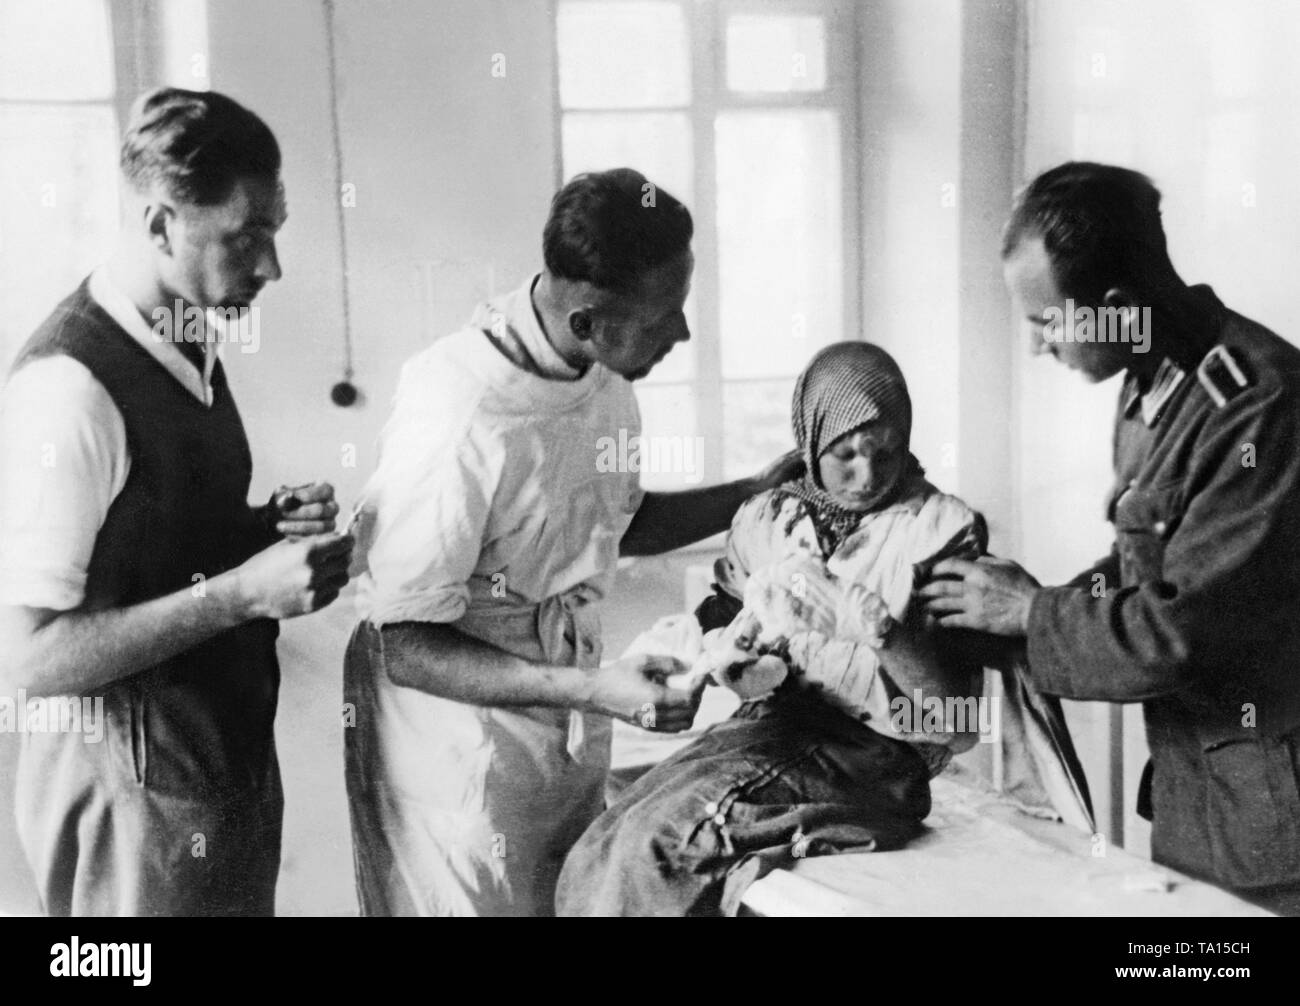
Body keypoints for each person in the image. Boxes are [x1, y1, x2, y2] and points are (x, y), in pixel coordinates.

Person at [343, 168, 802, 916]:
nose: (681, 334)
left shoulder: (601, 374)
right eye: (665, 316)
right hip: (454, 743)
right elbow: (408, 647)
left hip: (555, 705)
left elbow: (615, 521)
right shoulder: (458, 414)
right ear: (587, 318)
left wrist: (753, 490)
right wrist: (596, 688)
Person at [0, 88, 352, 917]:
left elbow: (151, 544)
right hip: (127, 791)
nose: (271, 266)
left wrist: (260, 531)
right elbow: (29, 659)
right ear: (160, 225)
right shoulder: (71, 391)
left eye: (276, 228)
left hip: (211, 763)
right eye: (246, 236)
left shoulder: (187, 332)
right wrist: (242, 591)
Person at [920, 161, 1300, 915]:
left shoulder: (1259, 409)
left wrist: (1033, 615)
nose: (1036, 346)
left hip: (1272, 820)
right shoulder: (1154, 382)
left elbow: (1181, 628)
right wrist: (1022, 607)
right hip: (1204, 797)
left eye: (1045, 321)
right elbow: (1146, 563)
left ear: (1118, 308)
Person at [555, 342, 992, 917]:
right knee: (600, 842)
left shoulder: (939, 532)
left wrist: (881, 629)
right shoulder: (772, 518)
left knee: (659, 849)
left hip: (871, 757)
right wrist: (717, 660)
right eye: (845, 454)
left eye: (886, 454)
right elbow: (724, 620)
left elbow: (958, 728)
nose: (866, 476)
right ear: (809, 442)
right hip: (767, 728)